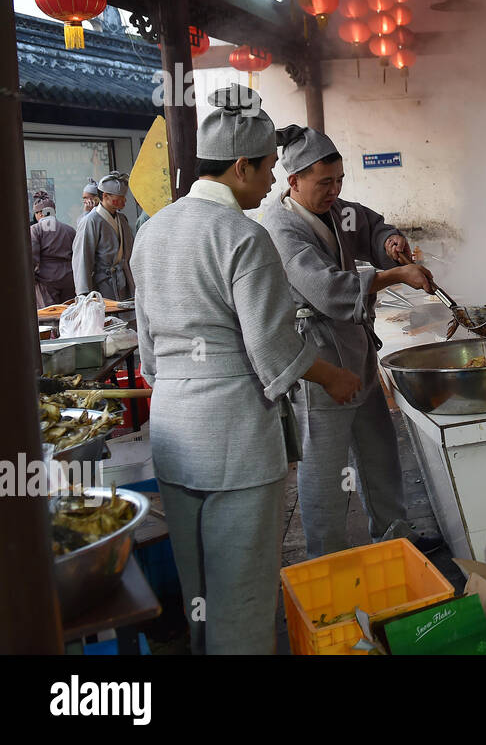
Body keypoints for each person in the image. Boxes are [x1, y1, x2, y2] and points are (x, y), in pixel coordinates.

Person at [131, 87, 362, 654]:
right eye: (266, 170)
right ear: (241, 166)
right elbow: (273, 349)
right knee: (243, 593)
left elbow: (150, 355)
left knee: (200, 590)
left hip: (172, 431)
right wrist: (332, 376)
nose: (271, 183)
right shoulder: (243, 236)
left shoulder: (151, 231)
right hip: (234, 438)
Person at [262, 125, 439, 558]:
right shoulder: (280, 227)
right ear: (294, 181)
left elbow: (373, 226)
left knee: (379, 447)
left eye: (339, 180)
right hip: (319, 357)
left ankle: (396, 535)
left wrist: (390, 242)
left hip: (356, 351)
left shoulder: (338, 211)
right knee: (324, 466)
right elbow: (328, 289)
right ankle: (327, 556)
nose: (334, 191)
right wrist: (397, 274)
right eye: (325, 183)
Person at [72, 171, 135, 300]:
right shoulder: (90, 221)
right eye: (120, 197)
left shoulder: (122, 219)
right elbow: (82, 260)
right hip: (102, 285)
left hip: (124, 280)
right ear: (105, 196)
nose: (125, 200)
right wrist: (84, 294)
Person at [30, 190, 76, 307]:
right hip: (69, 279)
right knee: (68, 315)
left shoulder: (35, 229)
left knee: (50, 317)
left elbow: (32, 258)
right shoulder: (69, 230)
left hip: (46, 280)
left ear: (40, 214)